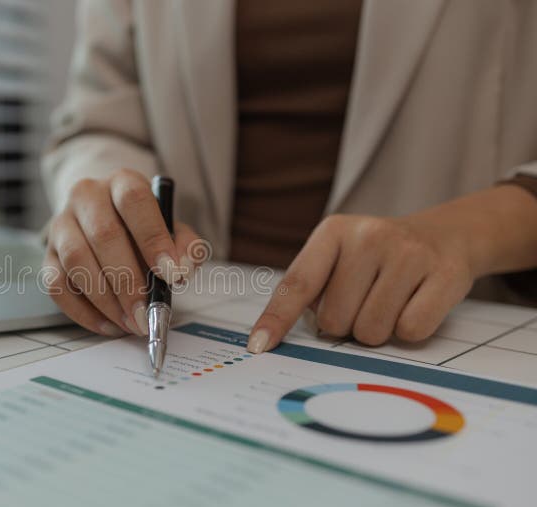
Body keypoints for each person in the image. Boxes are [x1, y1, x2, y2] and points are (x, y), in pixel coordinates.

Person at [40, 0, 537, 354]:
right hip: (202, 305)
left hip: (444, 333)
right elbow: (98, 123)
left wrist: (469, 232)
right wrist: (108, 206)